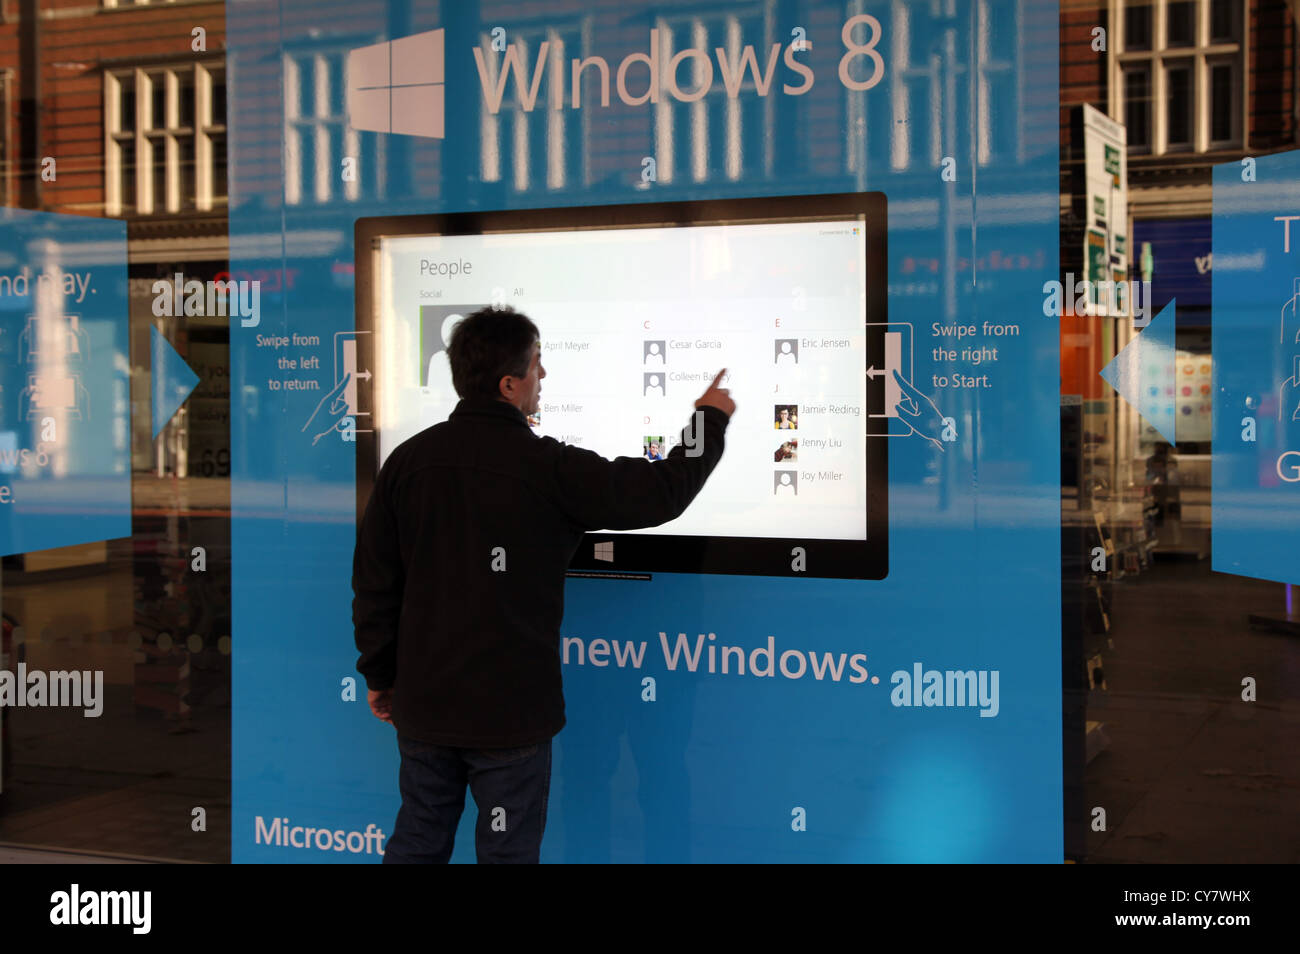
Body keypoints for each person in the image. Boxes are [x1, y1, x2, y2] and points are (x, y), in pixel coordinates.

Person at [351, 305, 734, 864]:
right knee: (508, 852)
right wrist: (708, 420)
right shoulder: (547, 466)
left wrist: (381, 674)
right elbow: (659, 493)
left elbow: (374, 584)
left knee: (417, 841)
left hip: (426, 705)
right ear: (510, 385)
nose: (544, 376)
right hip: (510, 715)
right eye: (537, 365)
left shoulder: (408, 463)